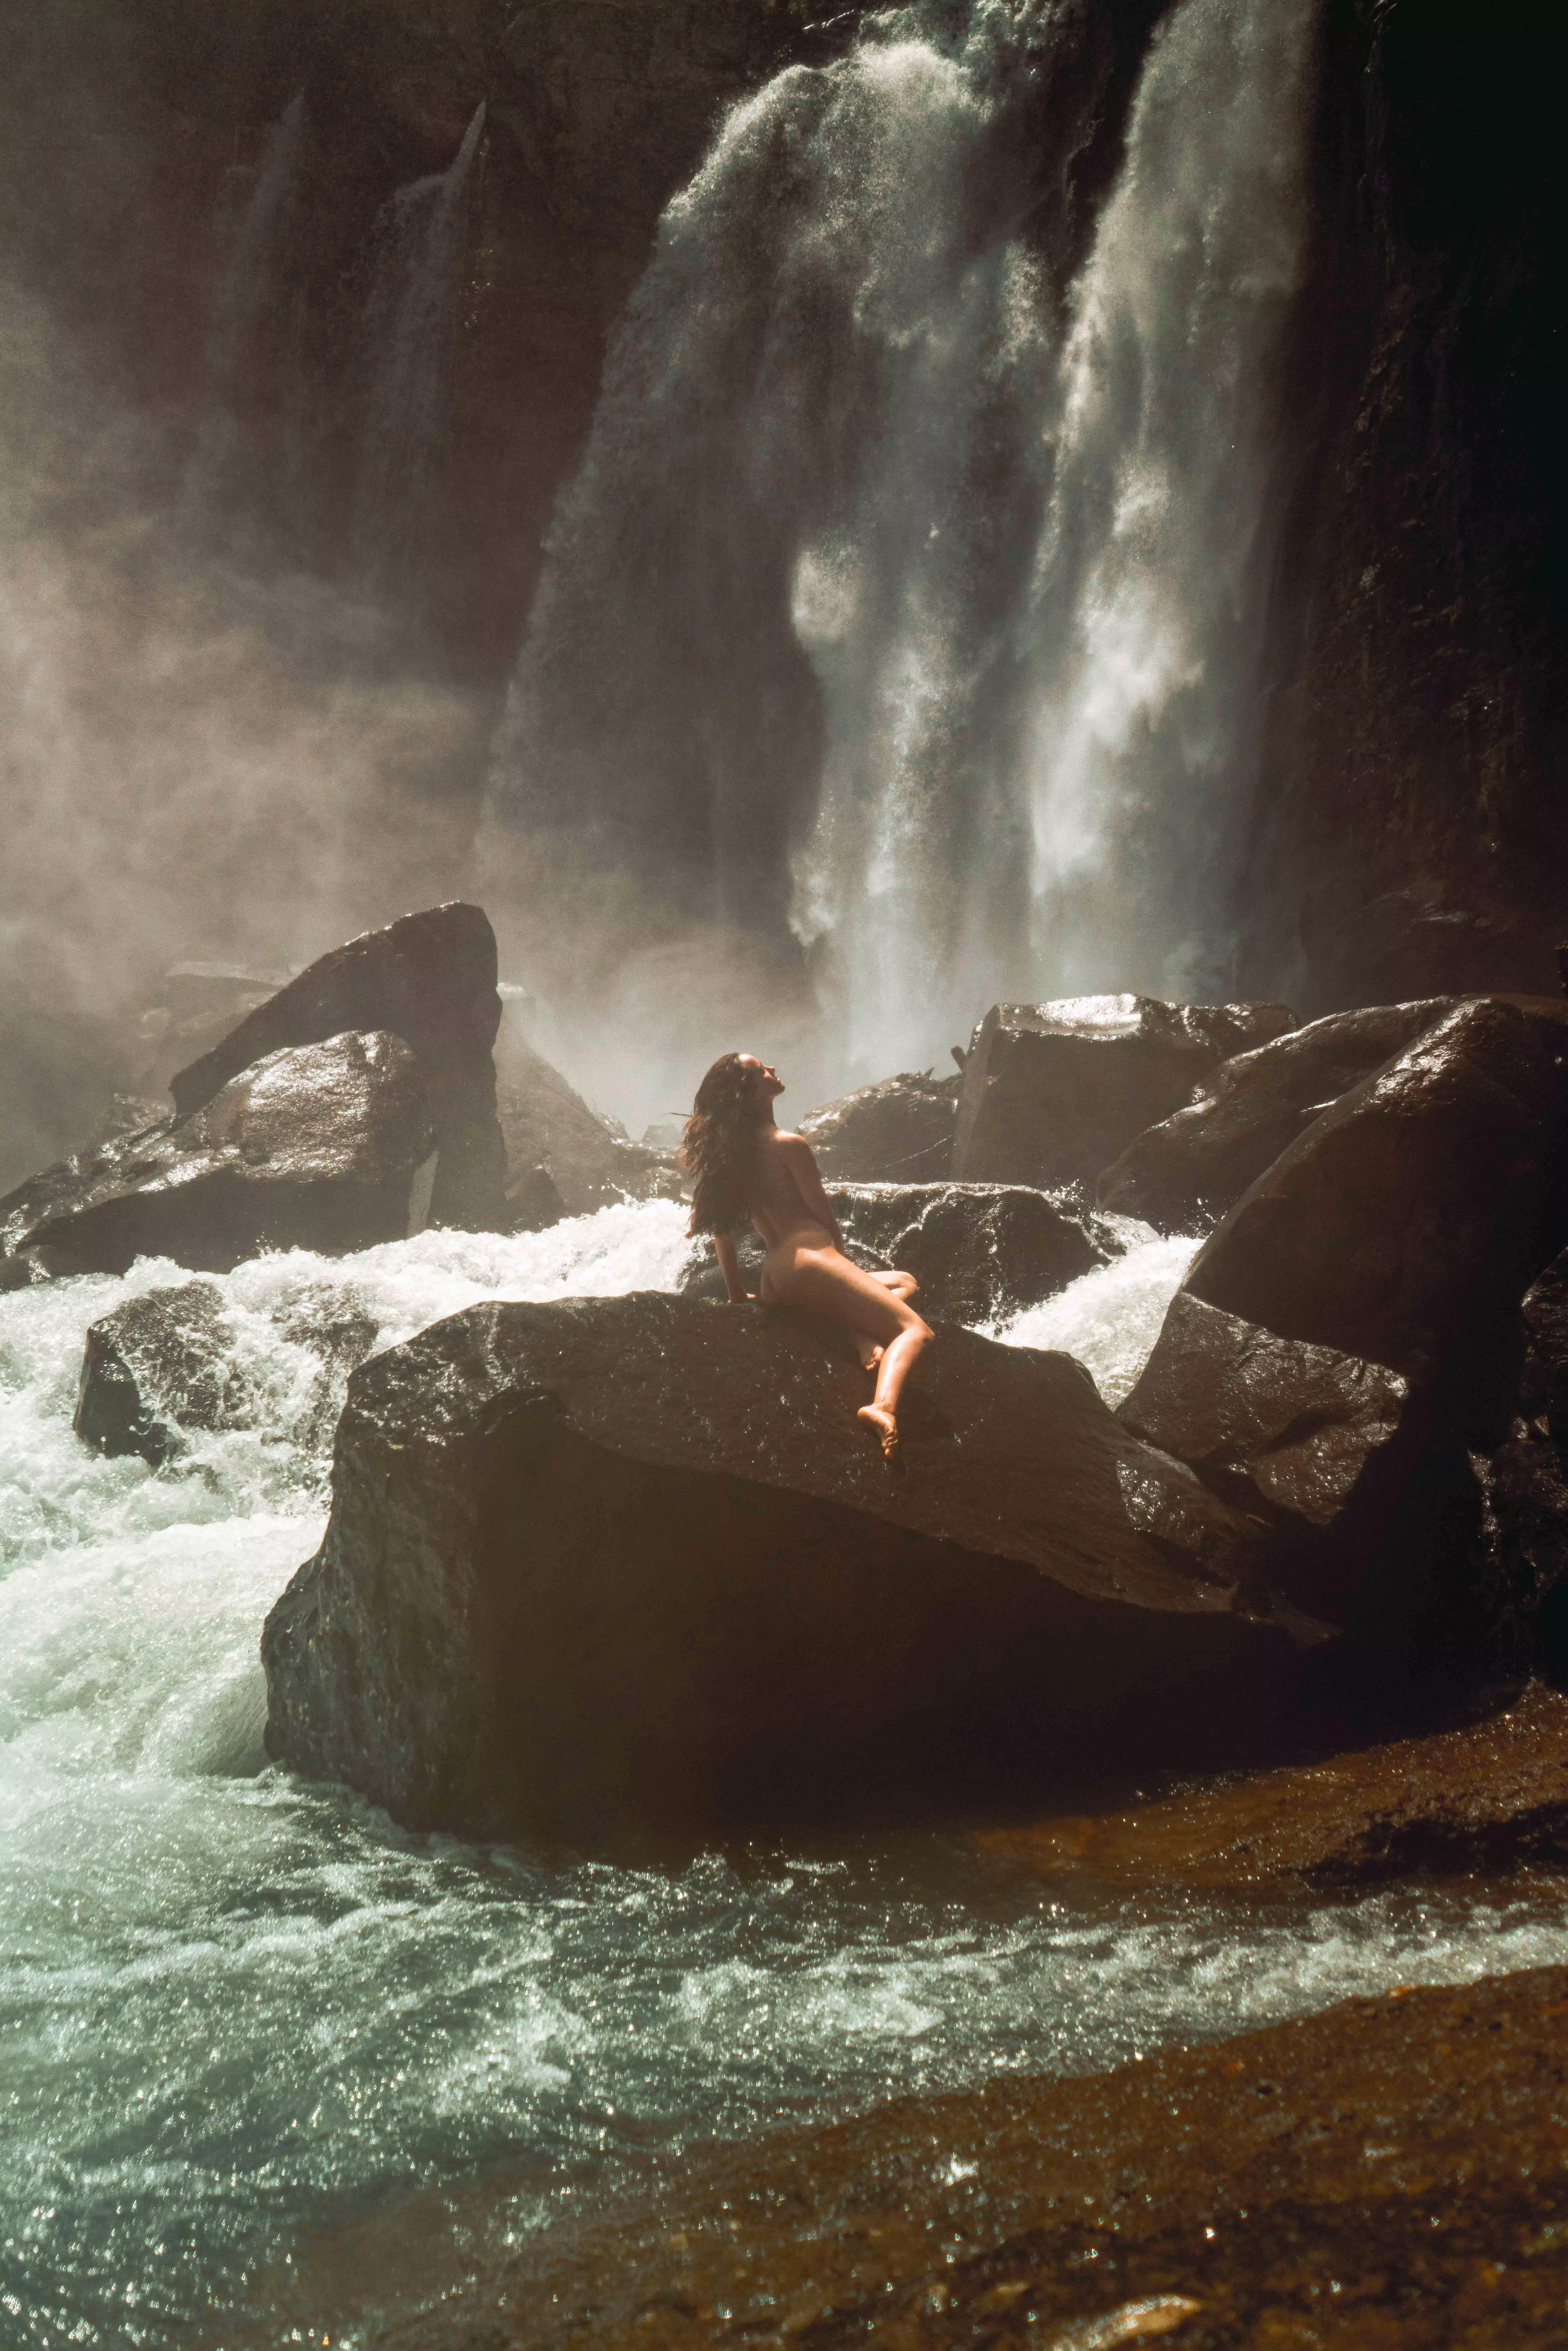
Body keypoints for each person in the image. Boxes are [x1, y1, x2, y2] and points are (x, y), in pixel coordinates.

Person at [680, 1051, 932, 1459]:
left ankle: (858, 1335)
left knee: (905, 1282)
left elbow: (721, 1233)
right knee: (916, 1332)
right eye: (761, 1069)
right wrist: (841, 1270)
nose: (773, 1069)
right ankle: (881, 1407)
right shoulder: (788, 1145)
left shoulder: (731, 1158)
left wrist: (736, 1294)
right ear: (748, 1092)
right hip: (813, 1260)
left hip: (775, 1277)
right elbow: (826, 1225)